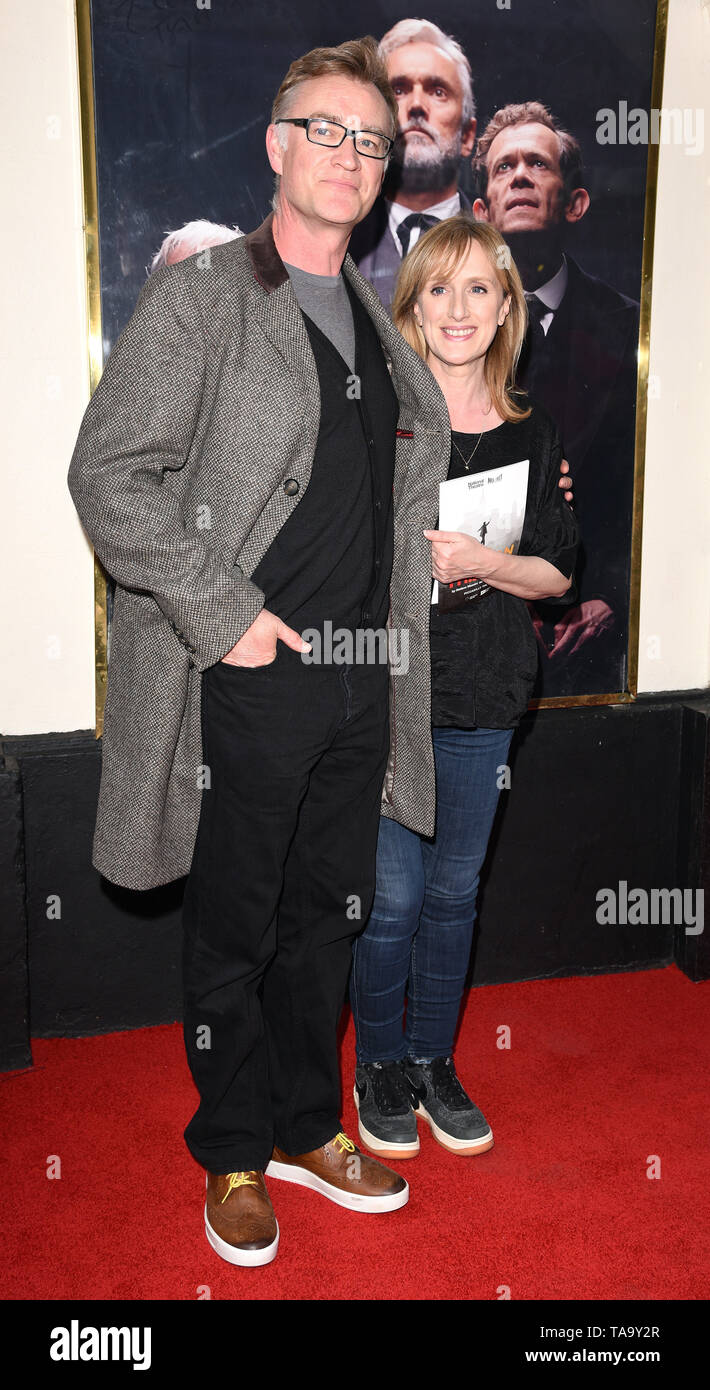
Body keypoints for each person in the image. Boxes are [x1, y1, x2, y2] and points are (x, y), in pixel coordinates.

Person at [67, 37, 454, 1267]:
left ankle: (303, 1122)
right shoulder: (205, 298)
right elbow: (109, 477)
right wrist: (221, 612)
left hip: (359, 682)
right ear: (278, 146)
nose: (350, 155)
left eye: (371, 140)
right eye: (326, 130)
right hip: (245, 680)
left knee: (324, 923)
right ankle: (232, 1147)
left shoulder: (385, 332)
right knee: (234, 926)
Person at [349, 214, 579, 1159]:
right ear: (411, 305)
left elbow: (560, 574)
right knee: (394, 902)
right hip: (392, 693)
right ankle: (379, 1065)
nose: (457, 307)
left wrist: (488, 562)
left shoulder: (535, 430)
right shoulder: (382, 423)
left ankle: (436, 1064)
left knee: (453, 897)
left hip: (486, 693)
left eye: (479, 288)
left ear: (505, 308)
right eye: (437, 288)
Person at [472, 102, 638, 691]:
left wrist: (613, 599)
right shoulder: (445, 332)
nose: (519, 176)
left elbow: (652, 486)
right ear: (481, 211)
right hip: (474, 636)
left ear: (576, 202)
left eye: (537, 165)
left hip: (595, 638)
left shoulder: (633, 331)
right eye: (503, 167)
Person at [350, 18, 477, 312]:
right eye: (398, 90)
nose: (417, 105)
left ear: (468, 136)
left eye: (438, 91)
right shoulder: (333, 246)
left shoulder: (504, 250)